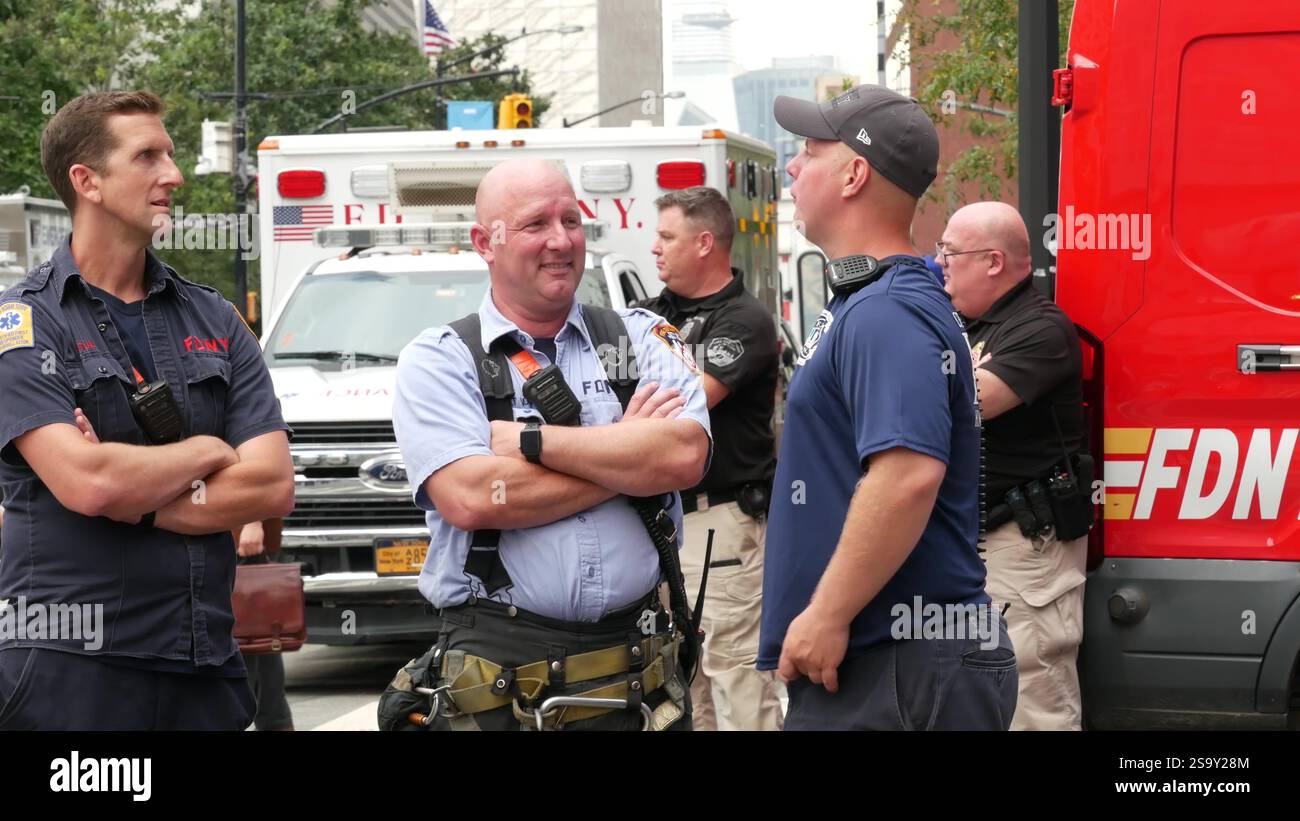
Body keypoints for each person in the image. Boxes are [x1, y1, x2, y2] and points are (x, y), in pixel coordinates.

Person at [0, 91, 294, 731]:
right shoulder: (23, 321)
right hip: (70, 669)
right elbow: (89, 481)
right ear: (88, 182)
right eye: (148, 156)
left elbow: (271, 484)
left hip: (202, 662)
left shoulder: (213, 317)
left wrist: (130, 495)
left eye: (171, 153)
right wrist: (212, 452)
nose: (174, 174)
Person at [388, 158, 712, 731]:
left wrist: (532, 443)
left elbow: (683, 456)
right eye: (537, 223)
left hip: (637, 682)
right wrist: (628, 454)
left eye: (571, 219)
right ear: (485, 242)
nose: (561, 240)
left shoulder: (642, 336)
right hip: (496, 687)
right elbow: (473, 497)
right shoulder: (439, 360)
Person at [758, 84, 1017, 730]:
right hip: (893, 663)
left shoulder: (886, 310)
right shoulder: (876, 301)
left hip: (894, 666)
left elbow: (907, 474)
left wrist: (827, 614)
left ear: (853, 174)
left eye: (809, 150)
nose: (792, 165)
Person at [636, 186, 783, 731]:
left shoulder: (745, 320)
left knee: (738, 677)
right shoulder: (649, 315)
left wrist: (632, 416)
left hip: (718, 524)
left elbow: (685, 406)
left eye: (666, 236)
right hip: (658, 523)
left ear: (704, 242)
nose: (655, 248)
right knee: (673, 683)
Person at [939, 201, 1089, 731]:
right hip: (972, 543)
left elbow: (964, 405)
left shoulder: (1040, 328)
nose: (940, 265)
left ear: (994, 261)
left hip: (1025, 548)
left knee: (1032, 701)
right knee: (978, 700)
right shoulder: (964, 325)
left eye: (950, 252)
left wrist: (951, 379)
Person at [234, 518, 295, 732]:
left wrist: (253, 521)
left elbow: (257, 483)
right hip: (224, 531)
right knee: (263, 640)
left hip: (240, 536)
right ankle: (277, 722)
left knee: (250, 639)